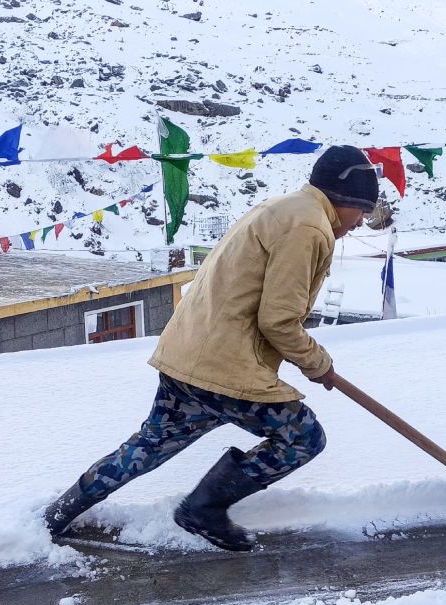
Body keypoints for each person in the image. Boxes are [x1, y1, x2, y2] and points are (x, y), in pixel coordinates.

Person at [43, 145, 379, 551]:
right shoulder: (309, 227)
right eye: (361, 210)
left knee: (148, 446)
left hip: (187, 357)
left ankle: (58, 514)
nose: (360, 222)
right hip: (224, 369)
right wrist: (317, 363)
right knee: (303, 439)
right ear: (344, 200)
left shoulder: (283, 207)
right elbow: (279, 320)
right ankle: (202, 509)